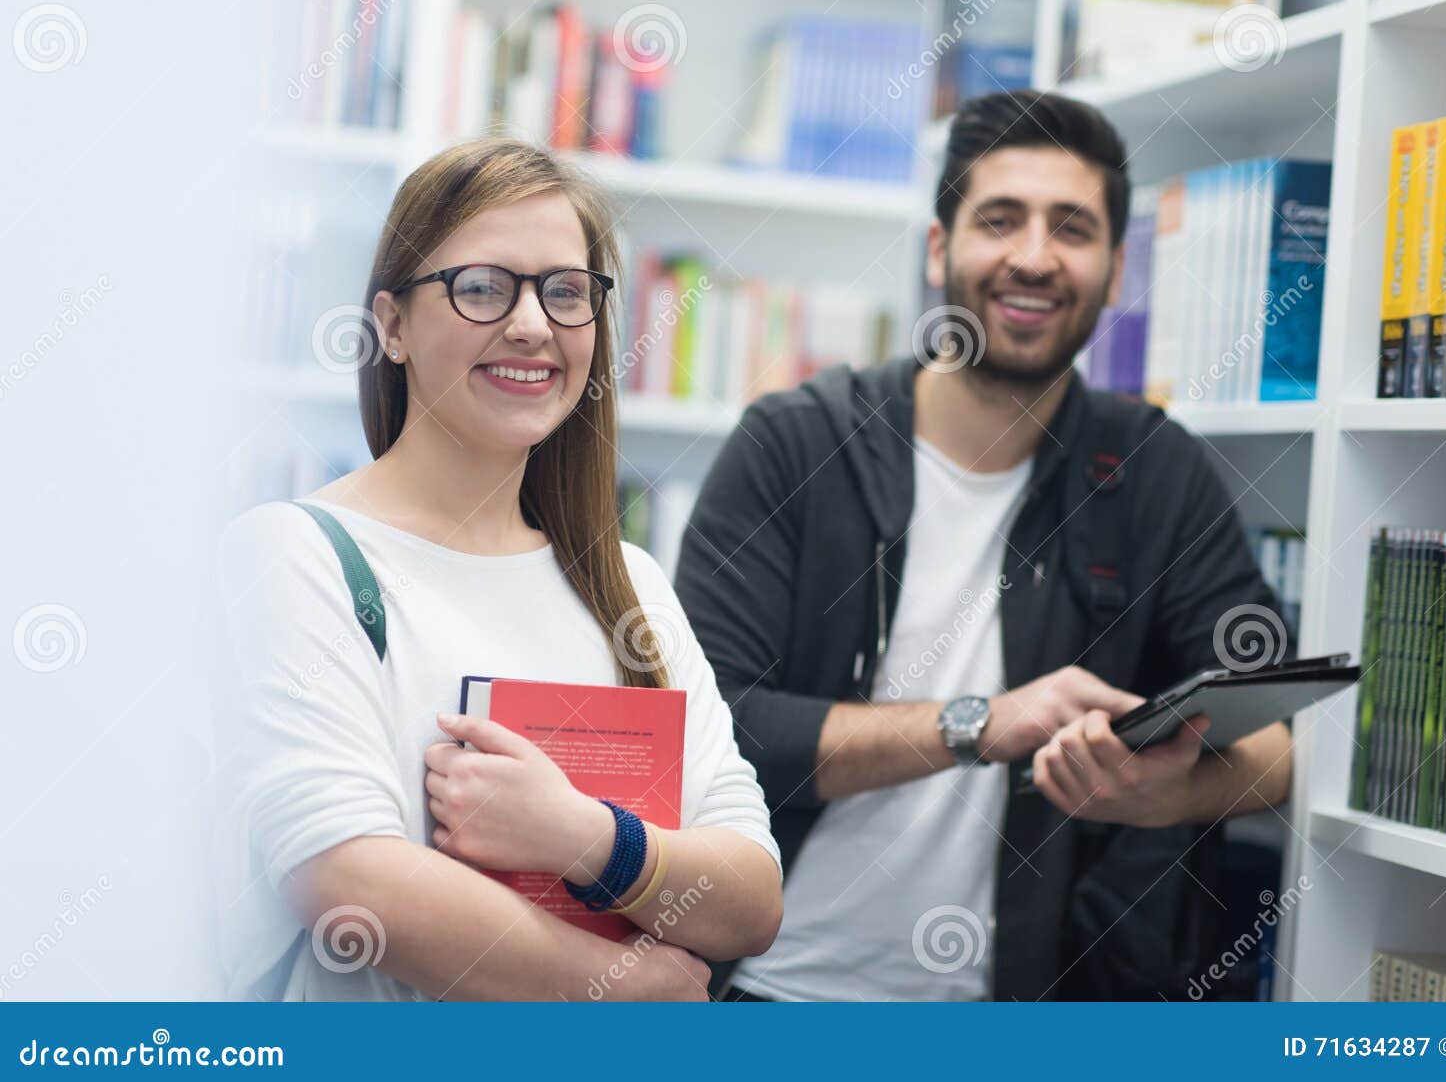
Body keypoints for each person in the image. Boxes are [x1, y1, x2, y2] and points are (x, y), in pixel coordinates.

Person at [674, 90, 1295, 1002]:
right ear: (939, 249)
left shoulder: (1155, 469)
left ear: (1116, 270)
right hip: (771, 992)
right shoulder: (796, 445)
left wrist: (1169, 795)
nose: (1034, 257)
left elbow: (1279, 742)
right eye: (1000, 220)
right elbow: (708, 728)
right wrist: (979, 724)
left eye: (1072, 229)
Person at [217, 139, 781, 1001]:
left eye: (566, 292)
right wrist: (617, 992)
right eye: (482, 287)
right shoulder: (294, 554)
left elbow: (750, 897)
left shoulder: (628, 585)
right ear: (392, 326)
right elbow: (348, 881)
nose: (532, 325)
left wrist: (585, 837)